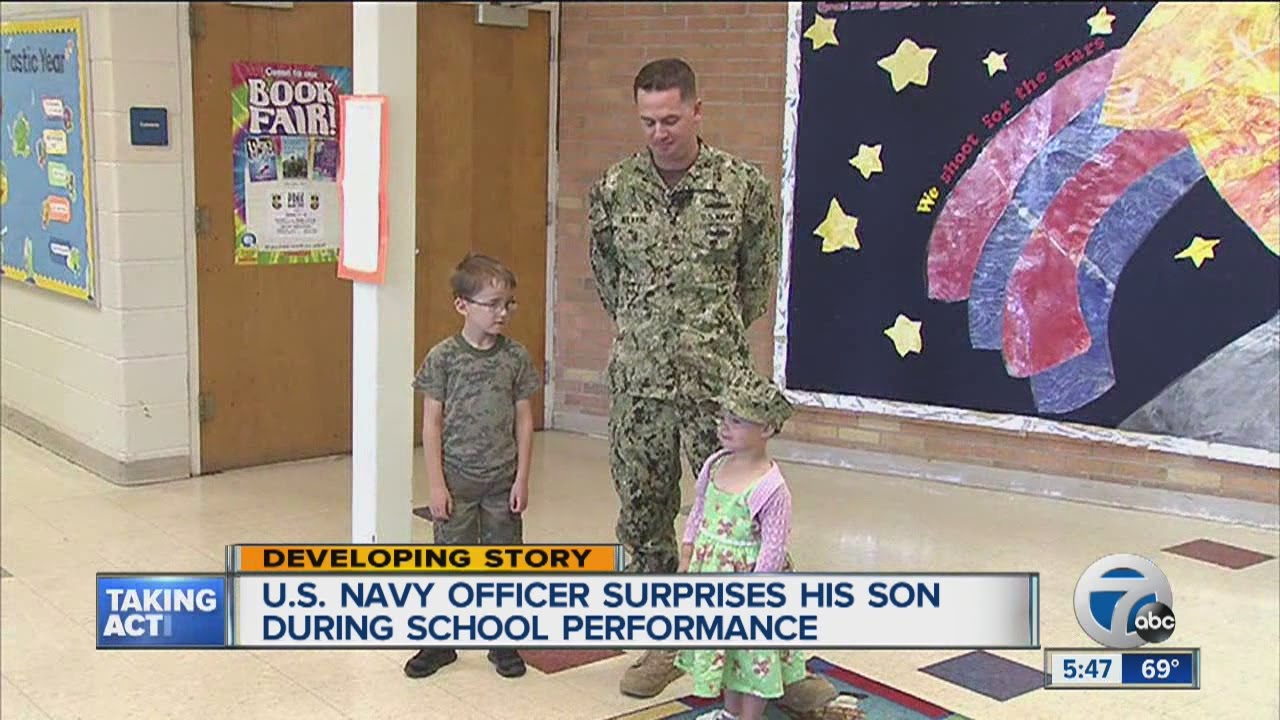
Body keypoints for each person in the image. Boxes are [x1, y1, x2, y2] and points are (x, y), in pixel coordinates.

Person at [589, 58, 853, 718]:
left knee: (745, 520)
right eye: (648, 121)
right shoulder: (615, 187)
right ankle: (664, 643)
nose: (660, 133)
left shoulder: (743, 187)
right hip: (641, 384)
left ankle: (781, 663)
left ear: (698, 111)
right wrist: (653, 331)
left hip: (719, 386)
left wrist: (704, 335)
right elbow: (608, 281)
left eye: (672, 119)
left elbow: (755, 284)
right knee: (646, 521)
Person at [403, 253, 540, 680]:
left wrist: (522, 478)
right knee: (449, 560)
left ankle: (503, 642)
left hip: (502, 482)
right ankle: (440, 641)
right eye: (493, 303)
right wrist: (436, 486)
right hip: (457, 483)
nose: (503, 312)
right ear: (462, 305)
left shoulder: (515, 358)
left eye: (508, 304)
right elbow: (431, 423)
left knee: (504, 562)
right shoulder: (443, 358)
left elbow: (524, 419)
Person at [676, 367, 807, 720]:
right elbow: (698, 511)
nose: (723, 426)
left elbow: (774, 548)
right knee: (729, 654)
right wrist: (687, 553)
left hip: (748, 587)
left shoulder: (771, 487)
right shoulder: (714, 464)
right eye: (723, 417)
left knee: (752, 655)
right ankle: (730, 714)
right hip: (711, 575)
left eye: (736, 420)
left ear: (765, 429)